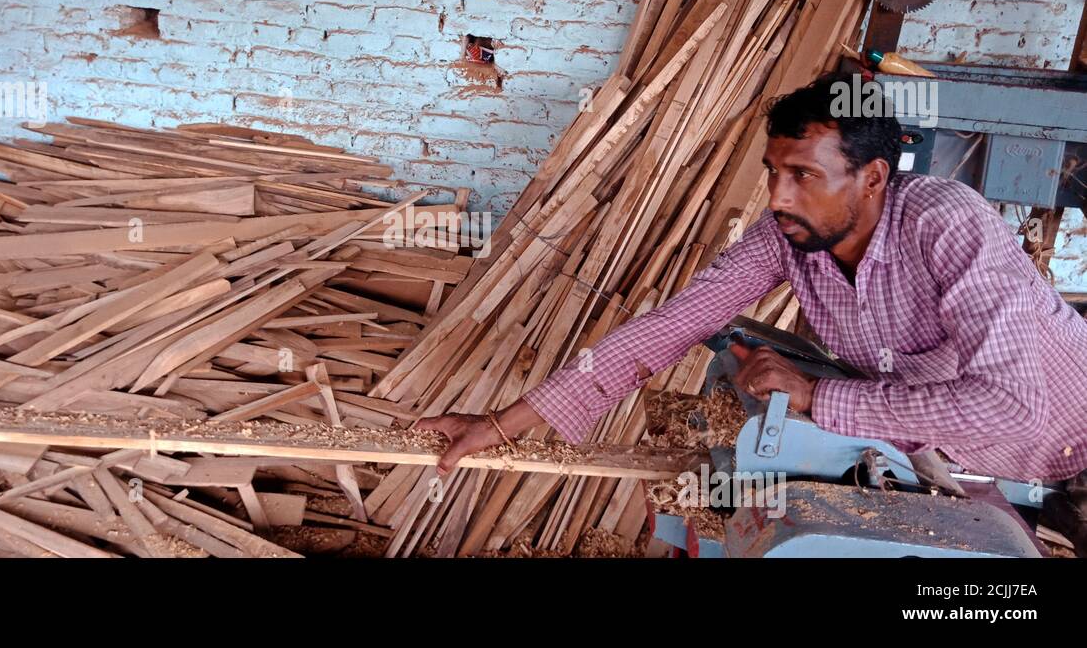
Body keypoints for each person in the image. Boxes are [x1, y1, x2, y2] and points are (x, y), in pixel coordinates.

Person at [416, 73, 1087, 555]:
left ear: (875, 178)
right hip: (981, 473)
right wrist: (503, 425)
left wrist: (821, 398)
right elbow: (669, 327)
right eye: (771, 171)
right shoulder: (786, 238)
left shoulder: (947, 224)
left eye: (802, 176)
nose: (776, 196)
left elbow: (1012, 405)